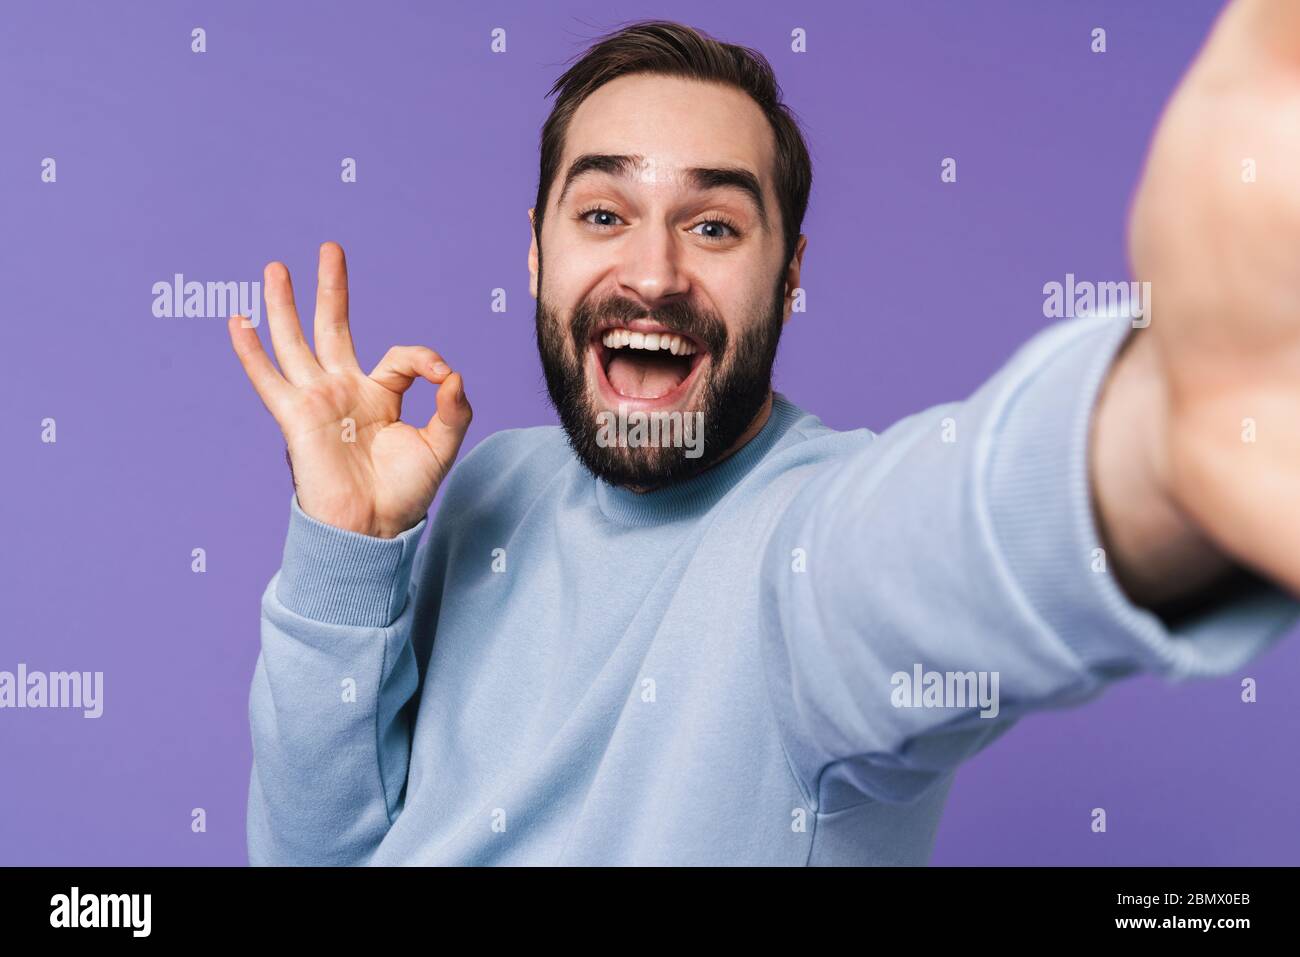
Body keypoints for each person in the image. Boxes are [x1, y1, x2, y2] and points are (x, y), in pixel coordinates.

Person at [228, 8, 1300, 865]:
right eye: (602, 214)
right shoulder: (487, 491)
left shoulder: (805, 543)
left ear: (788, 278)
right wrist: (346, 552)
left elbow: (932, 553)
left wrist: (1165, 427)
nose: (651, 273)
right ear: (534, 255)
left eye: (713, 227)